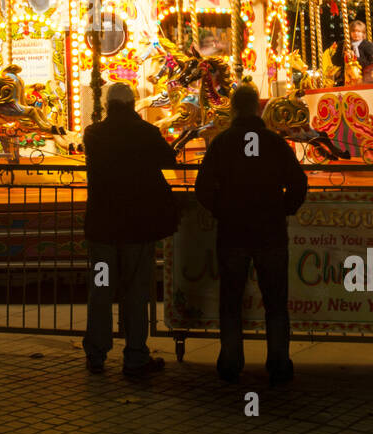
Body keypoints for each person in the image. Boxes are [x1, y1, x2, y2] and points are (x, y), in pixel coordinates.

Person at [195, 82, 308, 385]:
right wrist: (283, 208)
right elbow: (298, 183)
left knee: (231, 299)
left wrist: (222, 209)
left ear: (233, 109)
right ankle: (279, 362)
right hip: (270, 231)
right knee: (275, 300)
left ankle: (231, 361)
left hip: (233, 232)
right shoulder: (274, 143)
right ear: (258, 108)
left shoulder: (222, 144)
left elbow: (203, 188)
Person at [82, 81, 179, 377]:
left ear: (108, 105)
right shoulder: (146, 133)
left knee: (100, 289)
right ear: (133, 104)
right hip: (136, 227)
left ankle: (96, 354)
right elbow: (168, 158)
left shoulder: (94, 133)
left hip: (103, 229)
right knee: (136, 290)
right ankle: (135, 355)